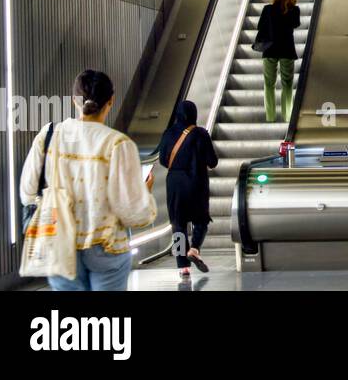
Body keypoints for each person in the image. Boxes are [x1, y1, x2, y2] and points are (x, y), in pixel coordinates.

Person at [20, 70, 156, 291]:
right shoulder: (119, 145)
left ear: (74, 100)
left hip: (60, 243)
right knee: (103, 325)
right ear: (111, 101)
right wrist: (145, 193)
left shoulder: (49, 135)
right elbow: (134, 213)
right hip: (107, 245)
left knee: (74, 325)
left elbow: (27, 192)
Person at [158, 100, 218, 282]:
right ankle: (194, 249)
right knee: (201, 220)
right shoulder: (200, 134)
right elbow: (212, 162)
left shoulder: (168, 133)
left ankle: (182, 267)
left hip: (174, 182)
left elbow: (162, 160)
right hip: (196, 181)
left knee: (177, 224)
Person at [258, 0, 301, 122]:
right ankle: (287, 116)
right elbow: (296, 24)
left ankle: (270, 117)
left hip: (270, 49)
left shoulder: (267, 9)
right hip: (286, 50)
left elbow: (260, 26)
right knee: (287, 84)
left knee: (269, 84)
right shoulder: (294, 10)